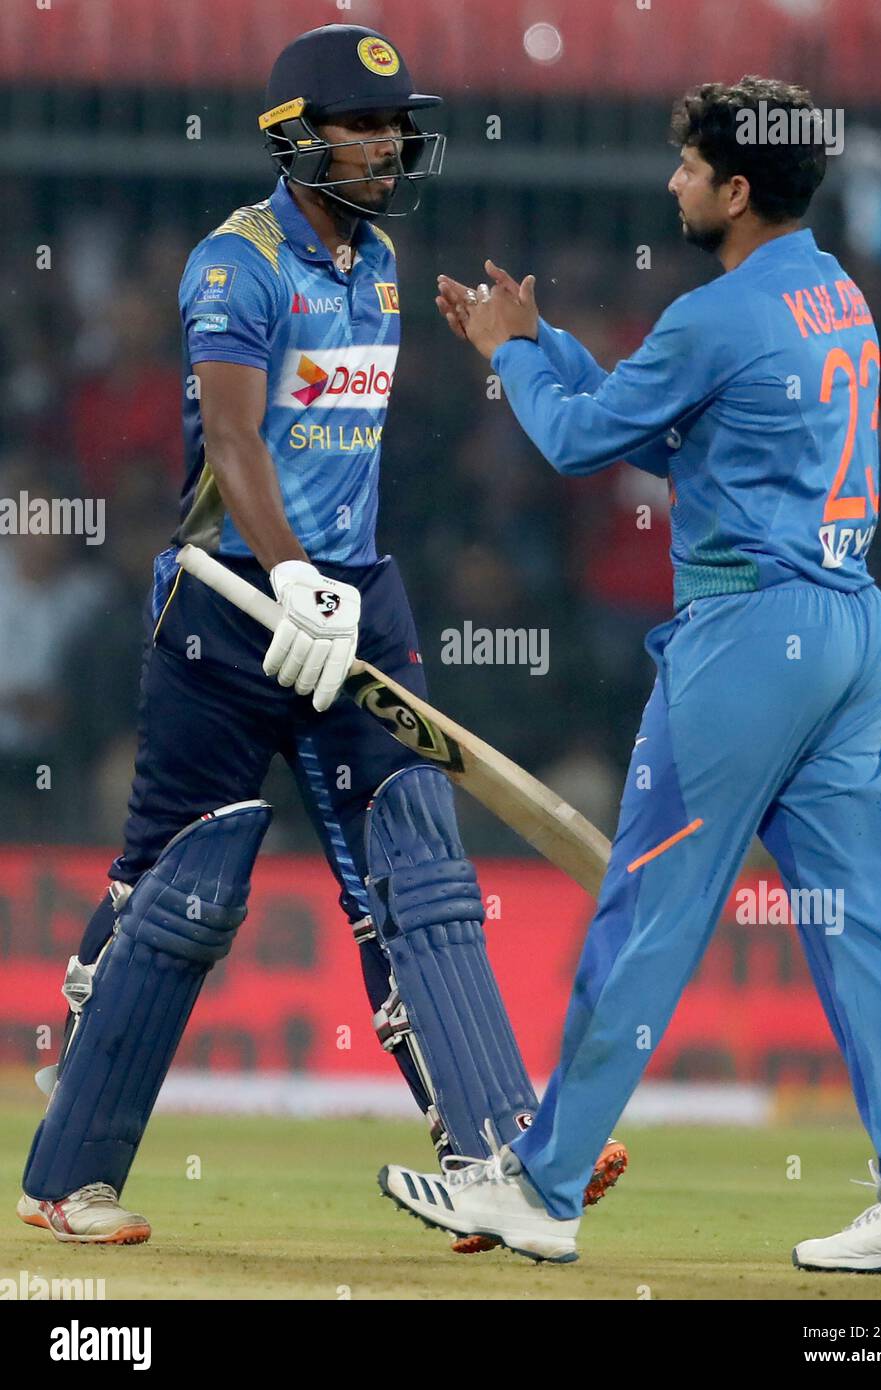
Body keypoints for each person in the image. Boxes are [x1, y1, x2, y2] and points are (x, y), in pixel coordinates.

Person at [16, 23, 625, 1250]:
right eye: (362, 124)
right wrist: (291, 579)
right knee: (182, 889)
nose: (389, 143)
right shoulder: (233, 265)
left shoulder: (385, 260)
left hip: (358, 602)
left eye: (396, 124)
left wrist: (336, 584)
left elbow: (339, 449)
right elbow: (234, 445)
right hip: (233, 609)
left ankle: (490, 1151)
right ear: (295, 135)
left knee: (415, 869)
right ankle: (67, 1165)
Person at [379, 76, 881, 1272]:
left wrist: (512, 359)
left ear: (736, 187)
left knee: (645, 909)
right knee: (863, 926)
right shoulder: (832, 296)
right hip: (845, 631)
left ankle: (540, 1189)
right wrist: (544, 341)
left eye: (685, 167)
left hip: (747, 641)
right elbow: (684, 425)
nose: (672, 183)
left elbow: (576, 440)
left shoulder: (715, 313)